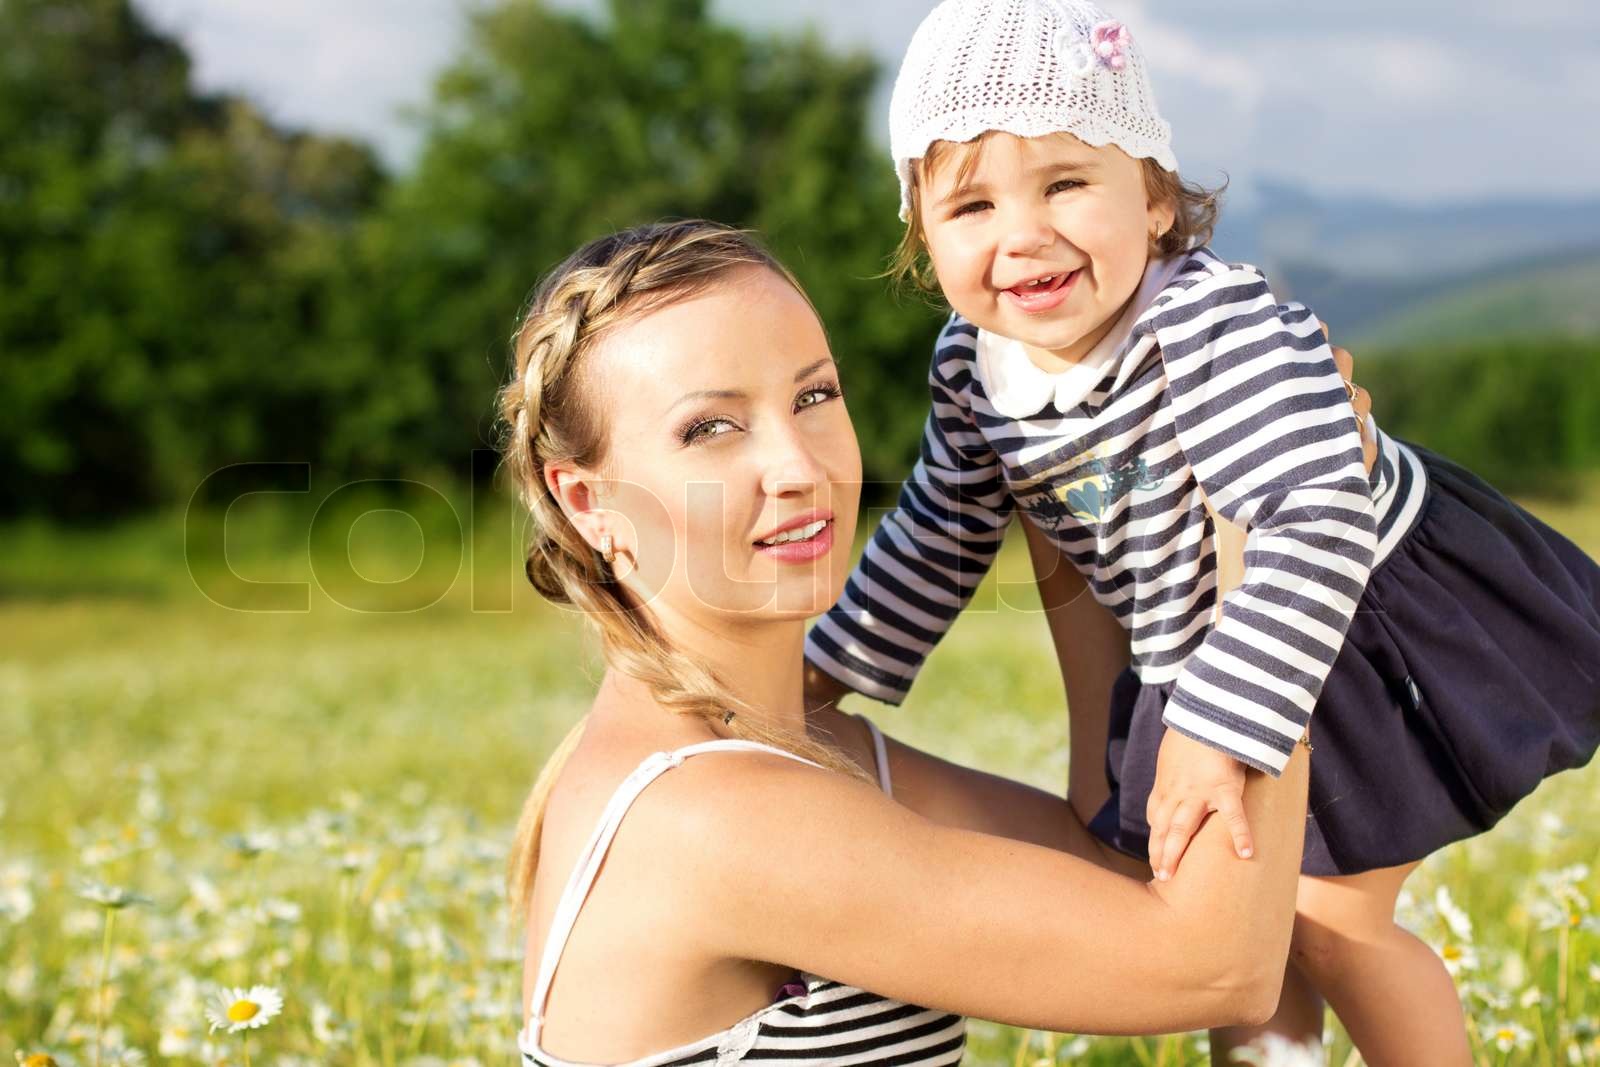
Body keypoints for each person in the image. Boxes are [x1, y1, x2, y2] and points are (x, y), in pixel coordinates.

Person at [799, 2, 1600, 1064]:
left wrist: (1217, 727)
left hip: (1346, 618)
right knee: (1227, 916)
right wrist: (823, 669)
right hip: (1207, 648)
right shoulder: (971, 368)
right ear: (922, 238)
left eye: (1065, 183)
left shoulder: (1212, 325)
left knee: (1330, 919)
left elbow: (1315, 516)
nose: (1022, 233)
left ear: (1155, 197)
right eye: (972, 205)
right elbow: (940, 532)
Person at [497, 219, 1315, 1067]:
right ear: (589, 503)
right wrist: (1282, 536)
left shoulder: (808, 752)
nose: (800, 468)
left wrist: (1055, 498)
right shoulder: (712, 813)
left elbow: (1118, 862)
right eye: (711, 428)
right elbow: (1217, 966)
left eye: (813, 396)